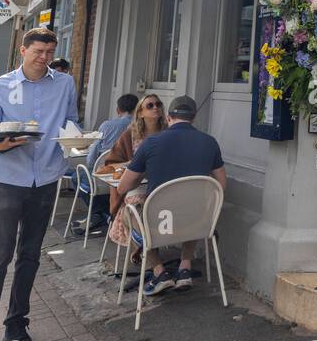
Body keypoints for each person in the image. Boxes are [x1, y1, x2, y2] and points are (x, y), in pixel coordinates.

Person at [0, 27, 77, 341]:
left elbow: (70, 122)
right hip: (9, 179)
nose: (44, 58)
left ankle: (17, 326)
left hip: (45, 178)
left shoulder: (65, 84)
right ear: (23, 52)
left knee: (29, 256)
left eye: (49, 51)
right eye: (38, 52)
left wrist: (75, 141)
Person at [114, 95, 225, 296]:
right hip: (198, 222)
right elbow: (220, 185)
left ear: (168, 116)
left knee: (128, 213)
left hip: (161, 222)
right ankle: (185, 267)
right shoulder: (210, 142)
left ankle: (159, 272)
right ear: (194, 117)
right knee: (195, 205)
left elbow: (123, 187)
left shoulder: (151, 143)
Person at [71, 93, 138, 235]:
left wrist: (91, 166)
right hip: (131, 176)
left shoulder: (107, 126)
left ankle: (99, 212)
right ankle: (106, 212)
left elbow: (92, 156)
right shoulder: (140, 127)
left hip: (105, 175)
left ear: (118, 110)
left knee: (76, 176)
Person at [101, 94, 167, 174]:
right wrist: (130, 164)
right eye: (150, 106)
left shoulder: (168, 132)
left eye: (158, 104)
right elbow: (111, 164)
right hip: (137, 183)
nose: (155, 107)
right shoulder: (129, 135)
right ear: (140, 113)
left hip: (163, 181)